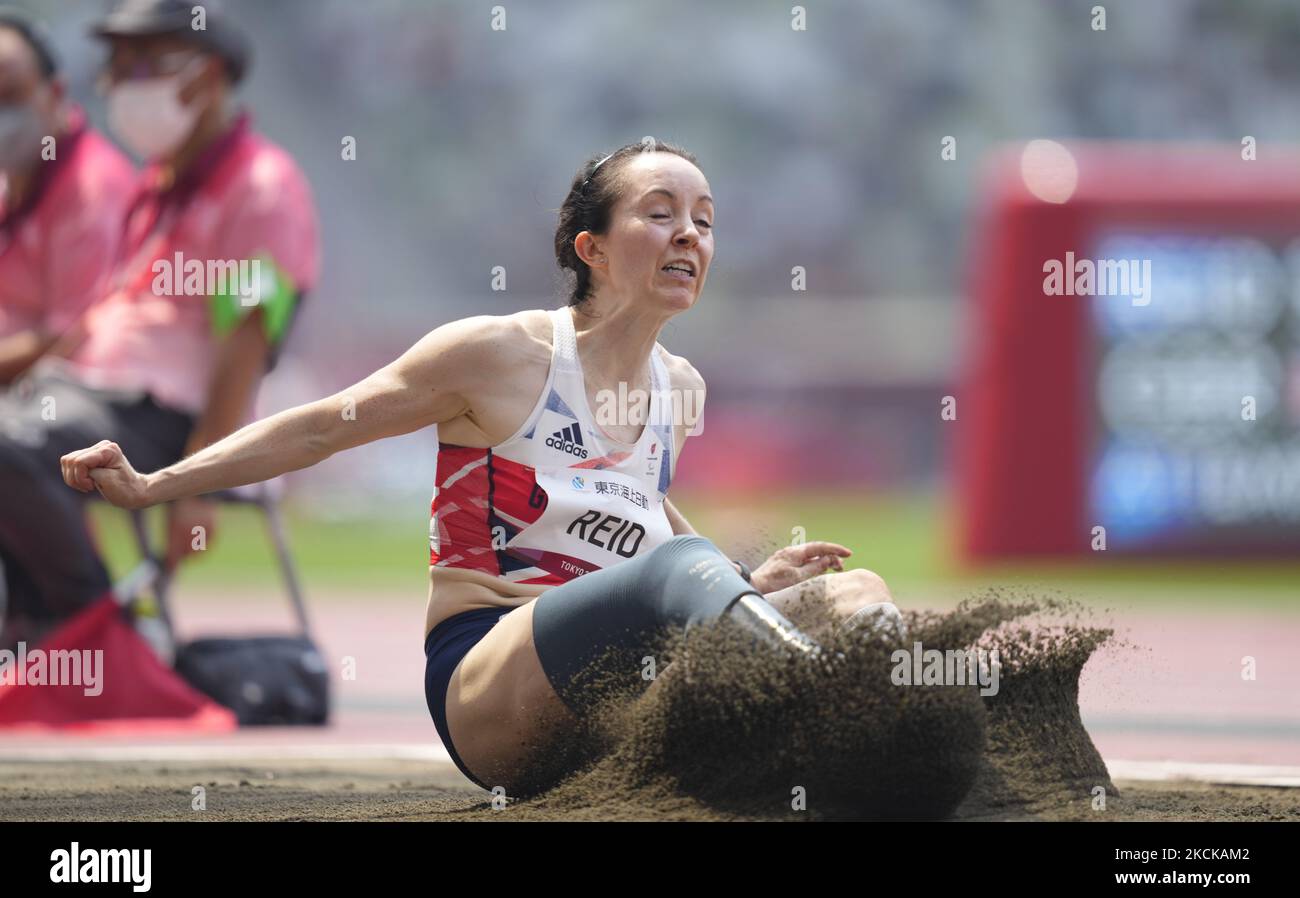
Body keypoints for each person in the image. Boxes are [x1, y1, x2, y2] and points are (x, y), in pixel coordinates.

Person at [60, 141, 898, 793]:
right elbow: (319, 430)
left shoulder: (682, 387)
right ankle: (834, 706)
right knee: (692, 576)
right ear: (592, 249)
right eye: (660, 213)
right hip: (492, 682)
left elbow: (646, 512)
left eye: (706, 220)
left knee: (856, 595)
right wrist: (154, 485)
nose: (690, 234)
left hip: (623, 688)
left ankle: (909, 740)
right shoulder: (497, 354)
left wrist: (744, 578)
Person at [0, 0, 319, 650]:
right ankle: (32, 634)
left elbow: (247, 342)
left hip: (163, 416)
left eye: (145, 63)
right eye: (116, 66)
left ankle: (100, 639)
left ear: (208, 76)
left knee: (8, 445)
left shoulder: (261, 189)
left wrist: (199, 478)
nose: (121, 83)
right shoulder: (159, 188)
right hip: (86, 398)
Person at [0, 7, 136, 385]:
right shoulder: (11, 177)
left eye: (9, 97)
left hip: (51, 411)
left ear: (55, 93)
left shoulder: (94, 190)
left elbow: (71, 337)